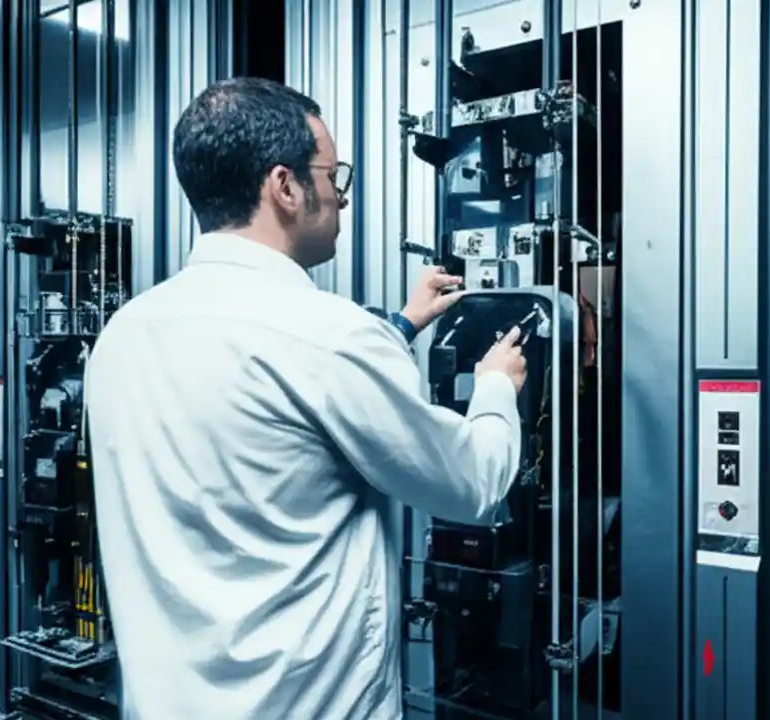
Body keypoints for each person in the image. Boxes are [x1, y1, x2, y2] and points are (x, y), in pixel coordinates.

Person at [84, 77, 528, 719]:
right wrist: (495, 388)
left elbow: (270, 428)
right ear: (285, 186)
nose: (341, 198)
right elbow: (472, 482)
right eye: (332, 174)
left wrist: (400, 328)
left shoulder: (125, 334)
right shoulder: (327, 336)